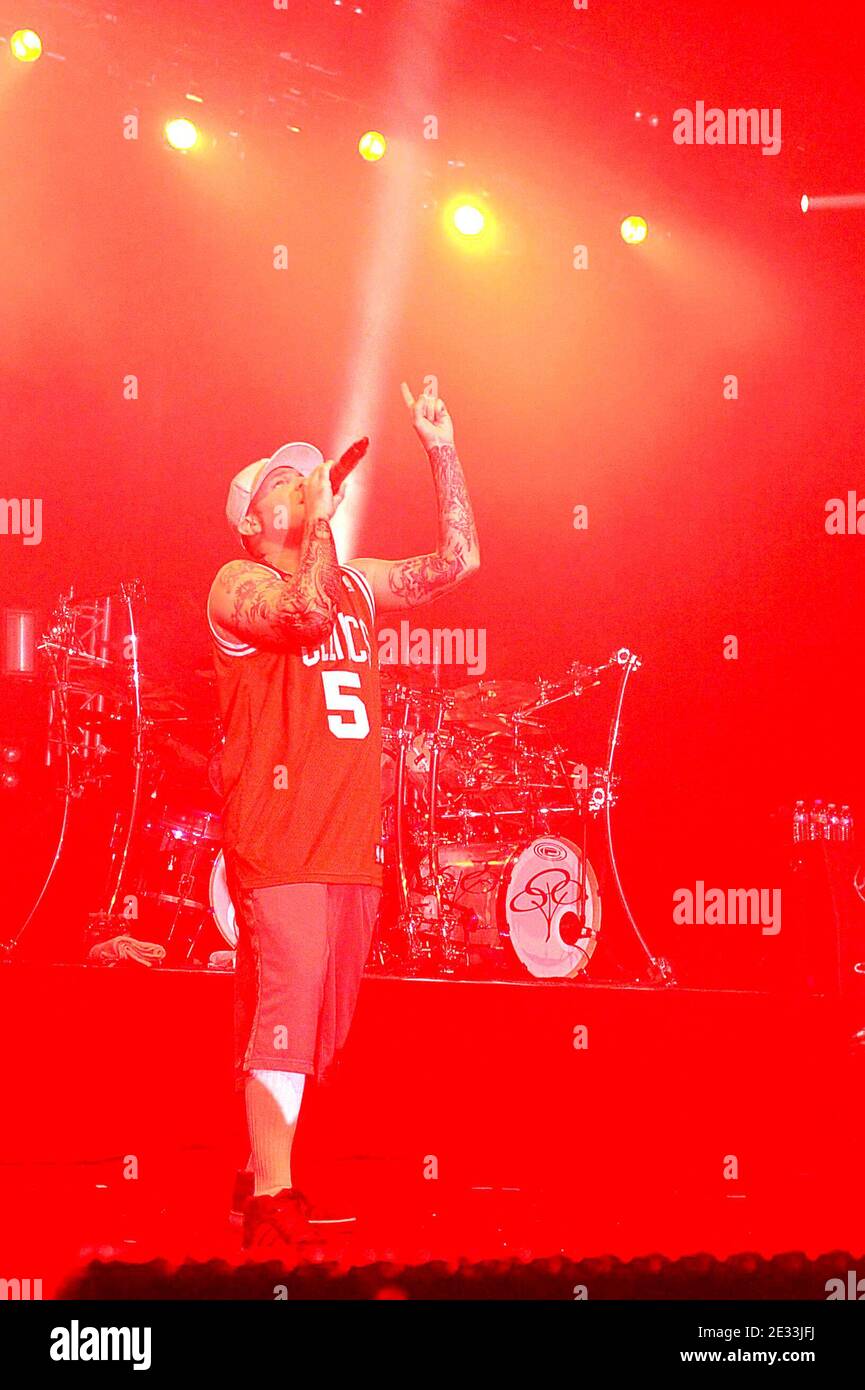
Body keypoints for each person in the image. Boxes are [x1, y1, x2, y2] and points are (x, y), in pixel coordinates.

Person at [207, 379, 480, 1248]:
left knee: (309, 1021)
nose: (300, 486)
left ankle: (256, 1166)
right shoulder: (236, 583)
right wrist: (322, 521)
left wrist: (441, 449)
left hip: (349, 837)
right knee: (286, 1007)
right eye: (280, 485)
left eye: (305, 478)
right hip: (279, 832)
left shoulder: (357, 582)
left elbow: (456, 563)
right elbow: (302, 613)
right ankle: (273, 1200)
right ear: (251, 519)